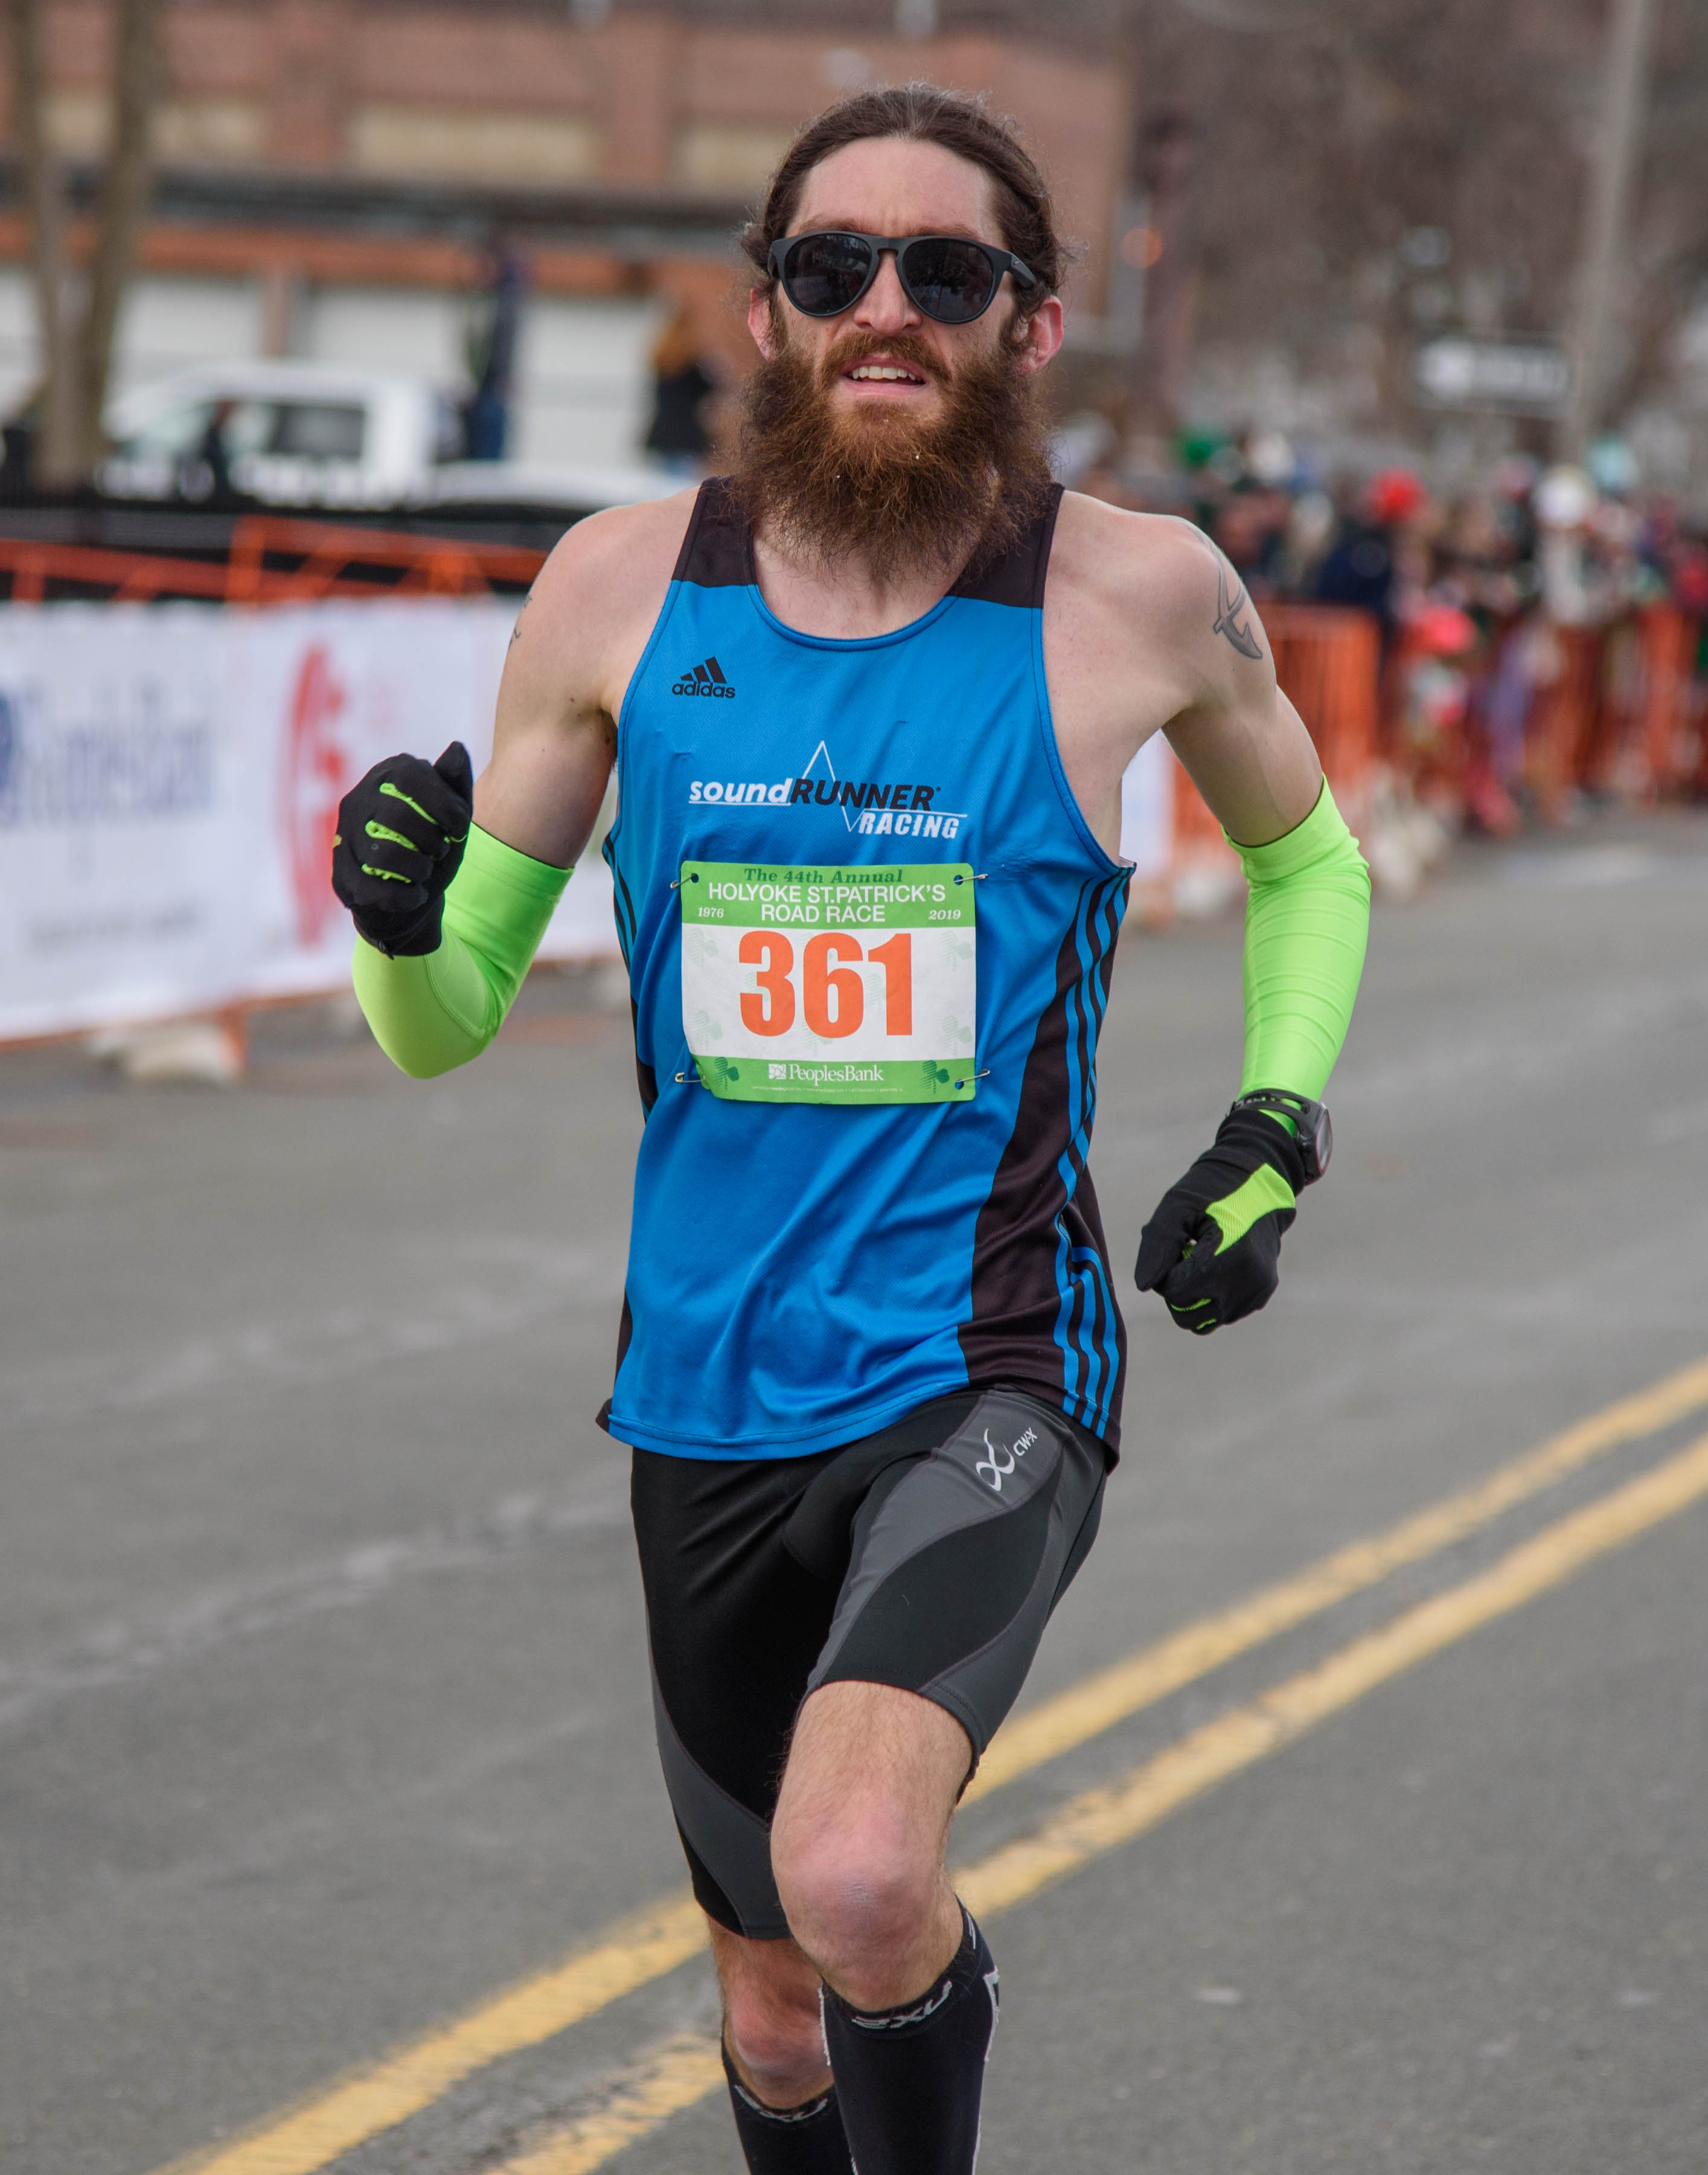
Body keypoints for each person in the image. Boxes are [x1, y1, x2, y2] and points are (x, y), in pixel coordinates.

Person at [328, 85, 1371, 2175]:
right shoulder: (619, 593)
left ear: (1030, 322)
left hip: (981, 1361)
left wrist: (1272, 1125)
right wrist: (391, 920)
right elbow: (442, 1025)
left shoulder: (1134, 594)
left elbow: (1308, 859)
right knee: (770, 2002)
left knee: (862, 1874)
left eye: (944, 271)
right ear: (770, 312)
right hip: (703, 1388)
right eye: (834, 266)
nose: (885, 307)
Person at [644, 302, 723, 475]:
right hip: (687, 436)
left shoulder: (661, 361)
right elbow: (716, 388)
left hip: (662, 433)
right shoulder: (692, 366)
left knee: (665, 483)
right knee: (684, 484)